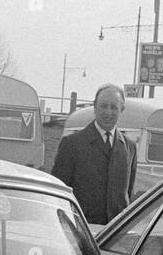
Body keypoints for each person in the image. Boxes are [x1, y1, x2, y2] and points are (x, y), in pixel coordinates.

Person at [50, 84, 138, 225]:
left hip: (114, 234)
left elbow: (128, 194)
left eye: (114, 107)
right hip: (81, 230)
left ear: (122, 109)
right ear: (95, 107)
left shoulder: (130, 148)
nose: (108, 112)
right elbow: (58, 193)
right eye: (103, 106)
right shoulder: (72, 144)